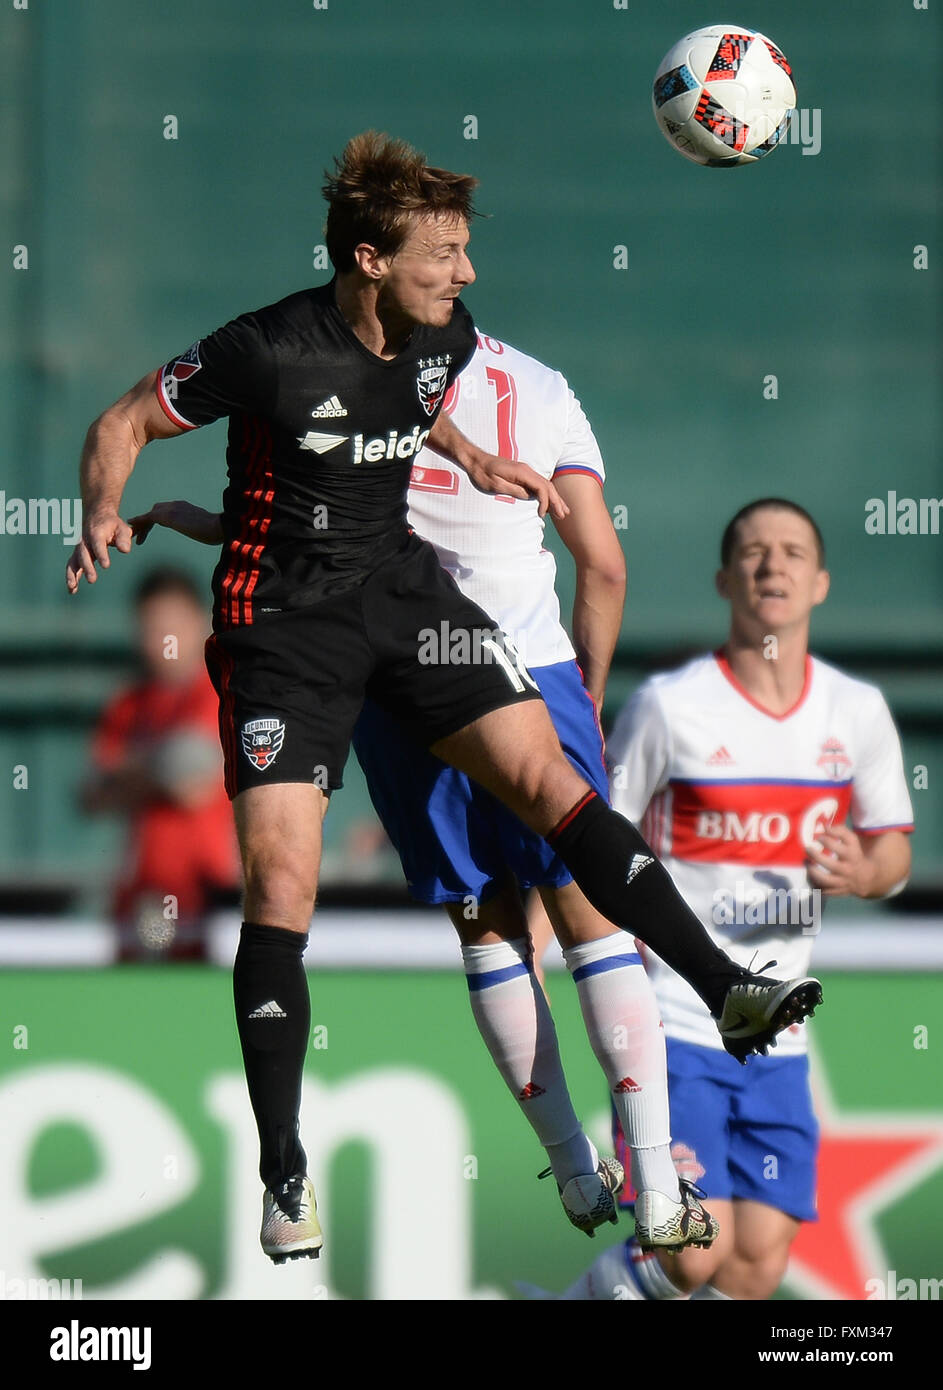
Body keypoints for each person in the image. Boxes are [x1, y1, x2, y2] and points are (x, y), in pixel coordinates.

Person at [66, 131, 819, 1265]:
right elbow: (119, 420)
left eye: (466, 252)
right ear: (368, 259)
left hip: (401, 589)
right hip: (283, 626)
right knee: (282, 878)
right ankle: (284, 1172)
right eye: (445, 254)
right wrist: (102, 511)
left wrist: (466, 456)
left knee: (552, 785)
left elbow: (414, 399)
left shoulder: (443, 335)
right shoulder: (264, 348)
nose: (466, 275)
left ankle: (725, 990)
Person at [135, 329, 720, 1254]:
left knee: (482, 922)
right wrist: (584, 696)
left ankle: (572, 1166)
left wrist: (202, 520)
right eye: (447, 249)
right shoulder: (537, 381)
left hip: (387, 664)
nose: (456, 265)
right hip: (522, 661)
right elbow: (600, 562)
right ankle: (654, 1183)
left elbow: (294, 516)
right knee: (588, 916)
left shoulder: (330, 365)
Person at [553, 499, 913, 1301]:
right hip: (674, 1015)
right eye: (752, 552)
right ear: (723, 579)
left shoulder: (854, 713)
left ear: (818, 583)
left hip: (778, 1032)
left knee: (755, 1265)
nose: (771, 565)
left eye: (791, 552)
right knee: (692, 1252)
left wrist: (863, 869)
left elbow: (894, 855)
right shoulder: (671, 706)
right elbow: (594, 836)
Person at [81, 566, 240, 961]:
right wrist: (158, 766)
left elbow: (189, 783)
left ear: (198, 622)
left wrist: (133, 773)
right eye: (150, 628)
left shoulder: (219, 694)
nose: (162, 640)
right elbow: (95, 793)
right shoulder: (129, 704)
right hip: (141, 895)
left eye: (172, 626)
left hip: (209, 893)